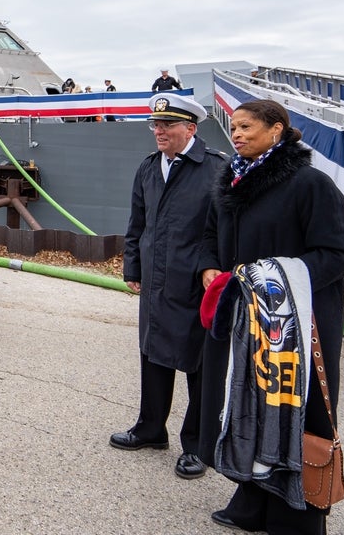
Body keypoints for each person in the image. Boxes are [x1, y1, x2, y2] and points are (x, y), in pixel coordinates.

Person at [198, 99, 344, 535]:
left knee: (296, 413)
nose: (237, 134)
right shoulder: (233, 181)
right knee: (247, 403)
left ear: (276, 130)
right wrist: (210, 266)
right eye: (234, 128)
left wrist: (273, 278)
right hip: (244, 321)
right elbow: (212, 236)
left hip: (295, 328)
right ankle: (252, 499)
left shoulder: (312, 185)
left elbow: (339, 254)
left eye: (247, 127)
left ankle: (299, 515)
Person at [111, 93, 226, 482]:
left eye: (167, 126)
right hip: (156, 281)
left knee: (199, 366)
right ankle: (150, 428)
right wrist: (133, 266)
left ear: (190, 129)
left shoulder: (215, 170)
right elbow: (137, 222)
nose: (158, 131)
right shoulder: (148, 168)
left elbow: (223, 232)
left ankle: (197, 445)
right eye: (155, 125)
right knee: (153, 354)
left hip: (195, 283)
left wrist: (212, 273)